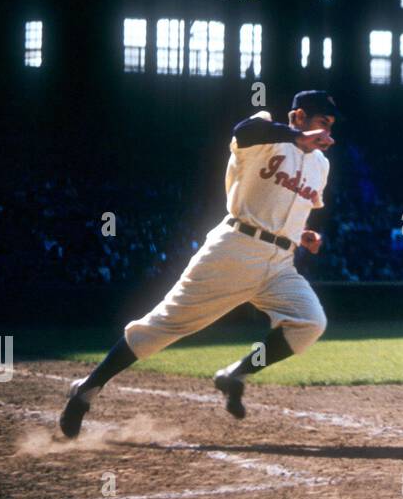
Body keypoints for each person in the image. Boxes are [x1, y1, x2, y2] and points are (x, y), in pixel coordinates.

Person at [58, 91, 340, 438]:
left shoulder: (320, 166)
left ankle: (234, 374)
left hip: (280, 263)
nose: (328, 134)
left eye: (330, 127)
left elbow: (286, 208)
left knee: (310, 321)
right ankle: (87, 388)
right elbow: (242, 131)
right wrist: (297, 137)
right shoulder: (266, 132)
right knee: (164, 324)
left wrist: (303, 234)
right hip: (234, 250)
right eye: (321, 123)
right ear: (298, 116)